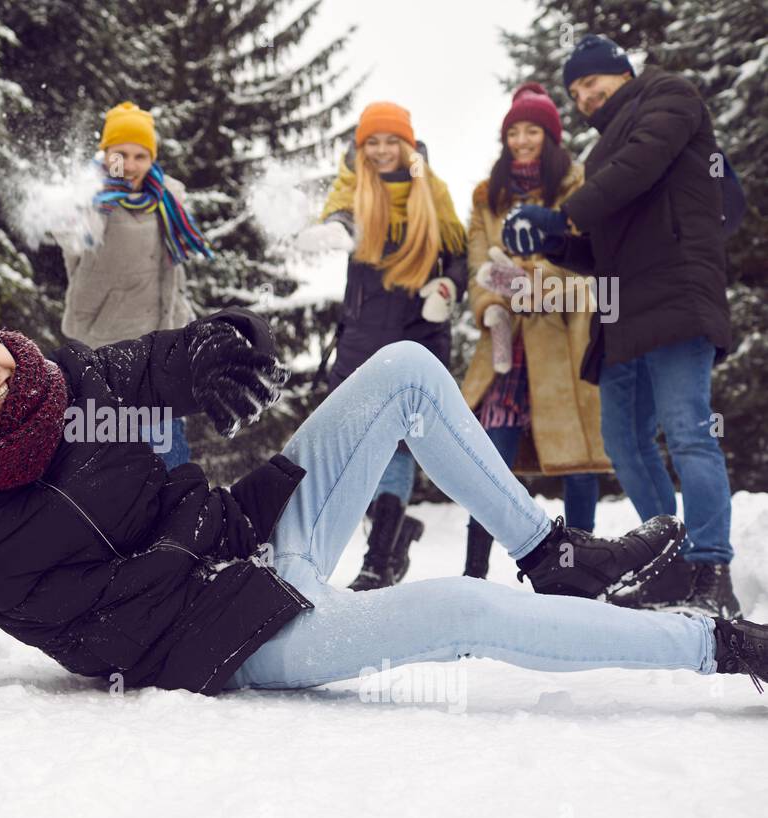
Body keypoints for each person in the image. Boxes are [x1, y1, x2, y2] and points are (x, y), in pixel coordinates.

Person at [0, 300, 767, 716]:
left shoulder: (64, 381)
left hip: (245, 535)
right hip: (211, 641)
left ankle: (548, 551)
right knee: (455, 616)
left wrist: (203, 344)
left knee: (408, 367)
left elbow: (150, 356)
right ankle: (719, 650)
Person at [503, 34, 740, 619]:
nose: (585, 95)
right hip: (622, 308)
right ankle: (670, 562)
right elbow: (603, 251)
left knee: (689, 431)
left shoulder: (669, 97)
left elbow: (643, 163)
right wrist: (557, 241)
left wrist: (562, 214)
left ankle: (713, 570)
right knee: (625, 444)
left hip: (678, 292)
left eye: (592, 81)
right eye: (576, 89)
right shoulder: (602, 151)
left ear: (623, 72)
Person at [304, 102, 468, 590]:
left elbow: (458, 254)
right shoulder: (354, 185)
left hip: (419, 335)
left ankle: (379, 561)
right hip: (360, 338)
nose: (378, 151)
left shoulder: (431, 191)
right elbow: (342, 213)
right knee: (357, 447)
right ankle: (395, 537)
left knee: (397, 445)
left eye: (388, 141)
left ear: (406, 144)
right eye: (370, 142)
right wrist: (333, 230)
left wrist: (448, 289)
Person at [459, 82, 609, 579]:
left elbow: (586, 260)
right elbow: (478, 264)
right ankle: (474, 575)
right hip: (505, 345)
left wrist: (532, 277)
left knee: (577, 455)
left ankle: (577, 569)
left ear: (550, 136)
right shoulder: (488, 195)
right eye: (514, 131)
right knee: (486, 460)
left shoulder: (576, 184)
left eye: (533, 131)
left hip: (563, 338)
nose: (522, 140)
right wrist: (490, 305)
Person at [55, 102, 213, 468]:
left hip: (161, 341)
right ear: (105, 153)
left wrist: (186, 323)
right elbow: (67, 236)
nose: (129, 164)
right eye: (120, 154)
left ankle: (170, 519)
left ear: (152, 158)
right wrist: (78, 214)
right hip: (102, 343)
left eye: (140, 155)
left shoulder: (166, 199)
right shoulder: (91, 198)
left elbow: (174, 272)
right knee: (106, 450)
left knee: (167, 453)